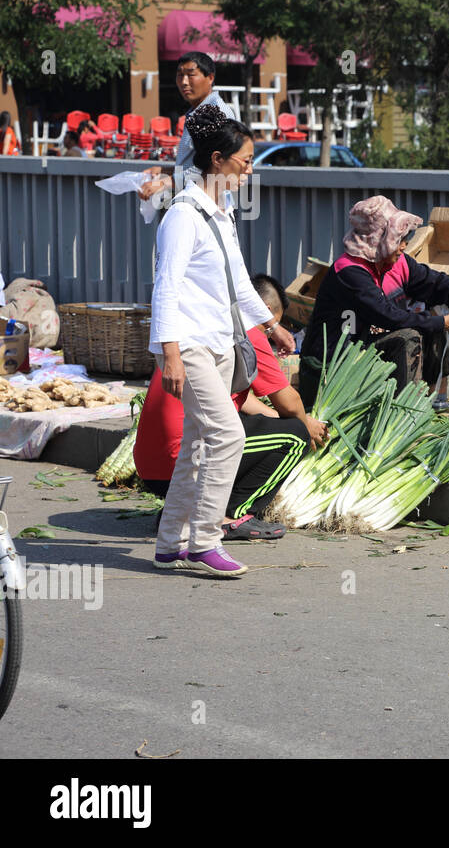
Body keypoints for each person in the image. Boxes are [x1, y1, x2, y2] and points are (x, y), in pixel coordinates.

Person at [149, 103, 296, 578]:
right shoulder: (183, 216)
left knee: (197, 445)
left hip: (217, 343)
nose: (249, 169)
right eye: (245, 160)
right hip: (187, 345)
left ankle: (171, 542)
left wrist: (270, 326)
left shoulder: (223, 212)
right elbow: (165, 287)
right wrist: (169, 353)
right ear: (217, 159)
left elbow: (237, 281)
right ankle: (206, 540)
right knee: (228, 435)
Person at [135, 274, 327, 541]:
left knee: (267, 426)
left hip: (151, 465)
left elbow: (236, 396)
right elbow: (289, 401)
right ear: (266, 311)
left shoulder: (210, 324)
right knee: (295, 437)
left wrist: (274, 419)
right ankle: (228, 516)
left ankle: (182, 513)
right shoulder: (248, 332)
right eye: (277, 324)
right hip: (179, 459)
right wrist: (308, 425)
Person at [297, 196, 449, 408]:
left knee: (432, 325)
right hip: (334, 367)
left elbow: (433, 282)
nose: (404, 246)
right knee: (411, 335)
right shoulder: (350, 272)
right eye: (399, 239)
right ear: (378, 239)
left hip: (369, 351)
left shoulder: (395, 263)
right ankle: (400, 412)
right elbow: (388, 316)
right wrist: (443, 322)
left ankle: (439, 402)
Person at [139, 51, 234, 202]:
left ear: (210, 78)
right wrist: (166, 170)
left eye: (191, 75)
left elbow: (213, 166)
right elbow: (198, 161)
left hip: (209, 205)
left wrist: (165, 182)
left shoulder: (217, 112)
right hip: (197, 200)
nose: (183, 82)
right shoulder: (198, 111)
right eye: (180, 75)